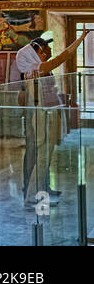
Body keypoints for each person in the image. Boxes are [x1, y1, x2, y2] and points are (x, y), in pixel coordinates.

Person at [10, 31, 89, 208]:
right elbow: (64, 56)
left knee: (44, 155)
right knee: (40, 156)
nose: (48, 52)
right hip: (39, 118)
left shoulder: (37, 69)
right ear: (35, 53)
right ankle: (31, 195)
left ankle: (40, 190)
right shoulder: (36, 70)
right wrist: (80, 39)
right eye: (44, 50)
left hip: (45, 115)